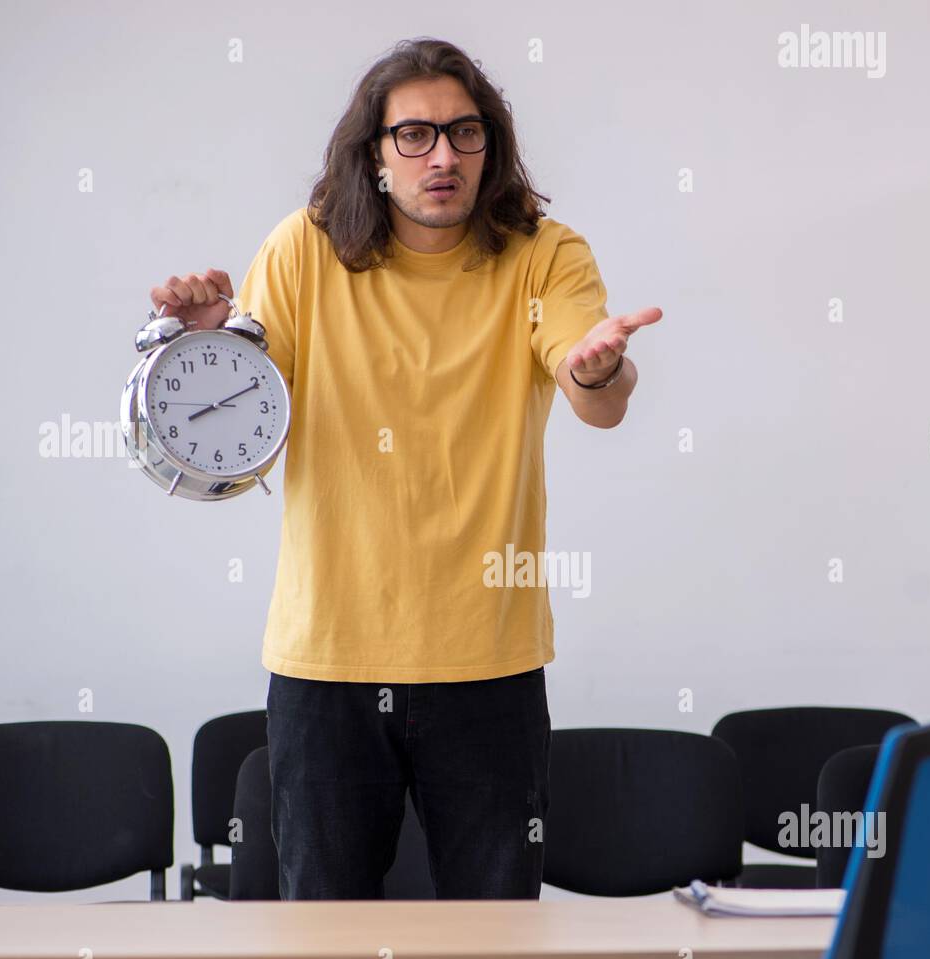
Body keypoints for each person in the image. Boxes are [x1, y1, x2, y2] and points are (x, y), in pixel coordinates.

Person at [149, 37, 661, 900]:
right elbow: (246, 430)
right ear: (374, 154)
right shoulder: (303, 251)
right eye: (415, 136)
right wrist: (209, 346)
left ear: (489, 146)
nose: (444, 157)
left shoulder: (545, 254)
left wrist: (599, 365)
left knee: (495, 943)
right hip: (328, 661)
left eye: (465, 134)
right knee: (322, 948)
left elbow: (595, 388)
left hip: (488, 661)